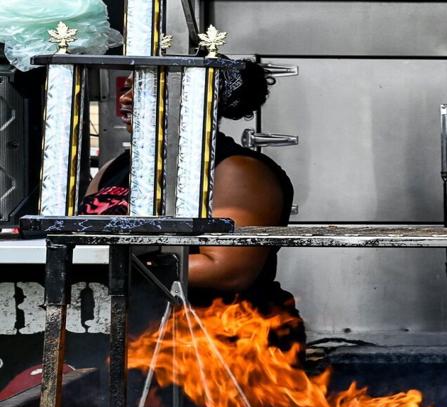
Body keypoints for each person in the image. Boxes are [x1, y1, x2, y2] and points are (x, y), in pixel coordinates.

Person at [83, 58, 302, 351]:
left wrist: (117, 260)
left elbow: (225, 270)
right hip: (138, 335)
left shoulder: (236, 170)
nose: (126, 98)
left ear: (194, 99)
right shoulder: (115, 167)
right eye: (130, 86)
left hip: (224, 346)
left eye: (146, 88)